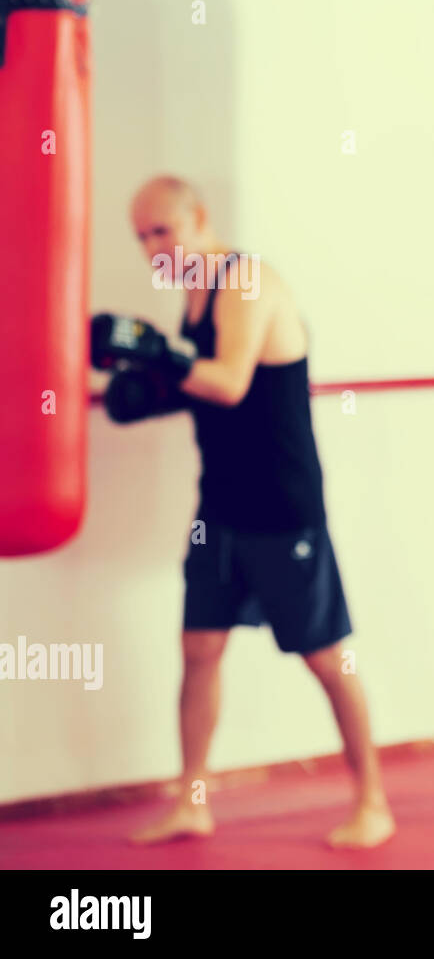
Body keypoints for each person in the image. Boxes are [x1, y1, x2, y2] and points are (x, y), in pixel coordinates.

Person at [93, 176, 395, 847]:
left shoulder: (248, 282)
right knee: (199, 648)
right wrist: (149, 392)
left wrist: (161, 358)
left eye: (162, 231)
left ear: (197, 219)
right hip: (220, 502)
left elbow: (228, 381)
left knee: (325, 657)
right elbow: (206, 386)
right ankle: (193, 799)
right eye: (141, 236)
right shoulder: (194, 292)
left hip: (282, 504)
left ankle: (373, 800)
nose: (152, 247)